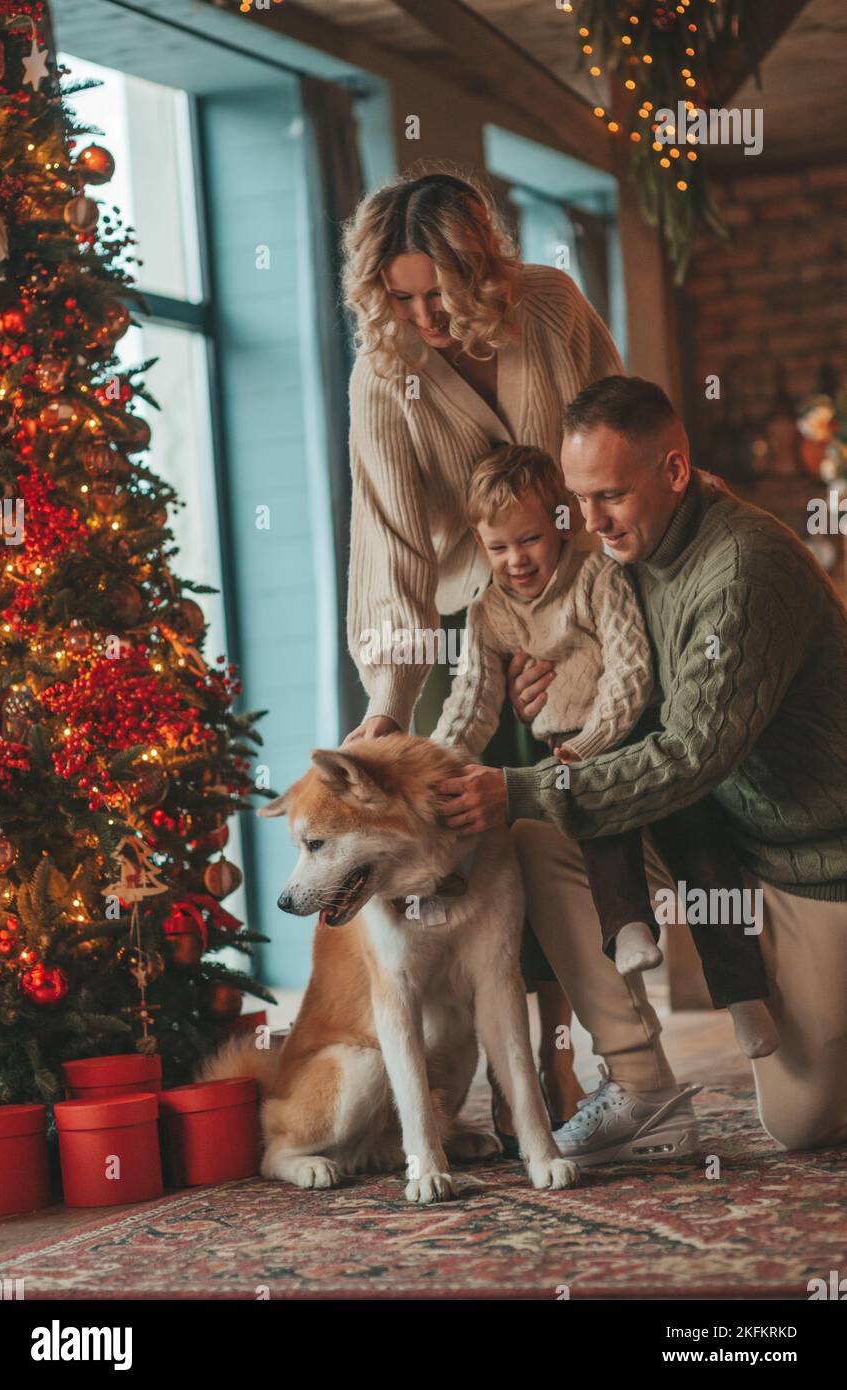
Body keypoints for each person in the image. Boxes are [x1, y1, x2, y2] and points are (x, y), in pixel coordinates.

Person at [437, 375, 847, 1164]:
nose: (588, 521)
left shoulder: (743, 573)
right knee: (542, 835)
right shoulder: (628, 551)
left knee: (800, 1122)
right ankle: (641, 1086)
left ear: (676, 473)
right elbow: (600, 664)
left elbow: (690, 754)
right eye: (579, 499)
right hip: (727, 833)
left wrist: (520, 782)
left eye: (610, 496)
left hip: (818, 855)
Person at [341, 169, 623, 1128]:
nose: (423, 315)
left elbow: (612, 446)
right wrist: (387, 702)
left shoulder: (551, 308)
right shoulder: (384, 374)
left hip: (582, 606)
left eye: (441, 292)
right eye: (401, 296)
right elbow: (389, 543)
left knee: (571, 850)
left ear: (480, 266)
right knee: (500, 870)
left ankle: (593, 1060)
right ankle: (532, 1076)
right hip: (479, 645)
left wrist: (579, 638)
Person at [434, 441, 778, 1060]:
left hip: (642, 734)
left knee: (705, 859)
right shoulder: (486, 614)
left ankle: (743, 996)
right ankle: (627, 929)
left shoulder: (596, 574)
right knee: (595, 829)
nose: (516, 560)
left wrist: (592, 743)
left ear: (562, 524)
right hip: (573, 756)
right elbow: (472, 698)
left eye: (530, 540)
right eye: (498, 547)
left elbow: (630, 670)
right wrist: (438, 759)